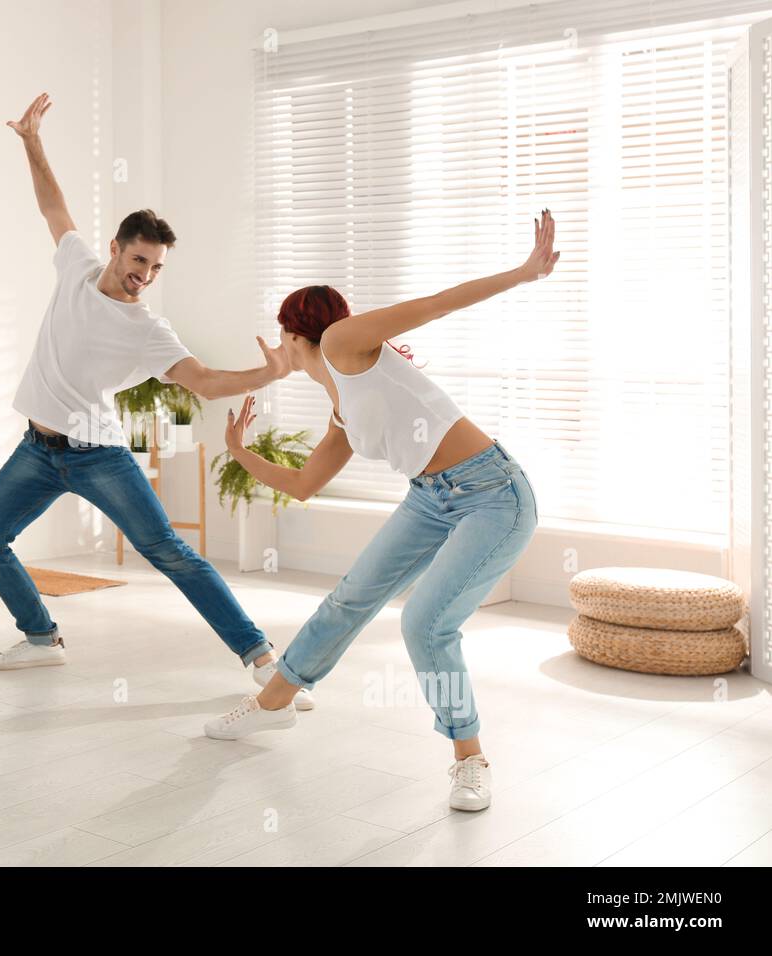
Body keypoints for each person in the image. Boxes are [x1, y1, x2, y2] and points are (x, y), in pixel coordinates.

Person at [202, 210, 560, 811]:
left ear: (295, 335)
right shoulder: (340, 405)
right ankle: (272, 706)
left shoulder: (345, 344)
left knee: (426, 623)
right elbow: (304, 483)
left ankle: (470, 760)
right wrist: (238, 452)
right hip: (430, 498)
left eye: (280, 336)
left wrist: (522, 274)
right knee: (349, 600)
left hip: (493, 494)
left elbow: (438, 301)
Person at [0, 93, 314, 709]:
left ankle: (262, 659)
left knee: (170, 554)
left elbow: (202, 381)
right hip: (37, 448)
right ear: (115, 248)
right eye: (138, 260)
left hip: (97, 455)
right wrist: (31, 141)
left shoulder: (147, 329)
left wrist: (269, 373)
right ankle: (42, 637)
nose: (145, 275)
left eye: (155, 268)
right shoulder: (75, 265)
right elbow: (53, 205)